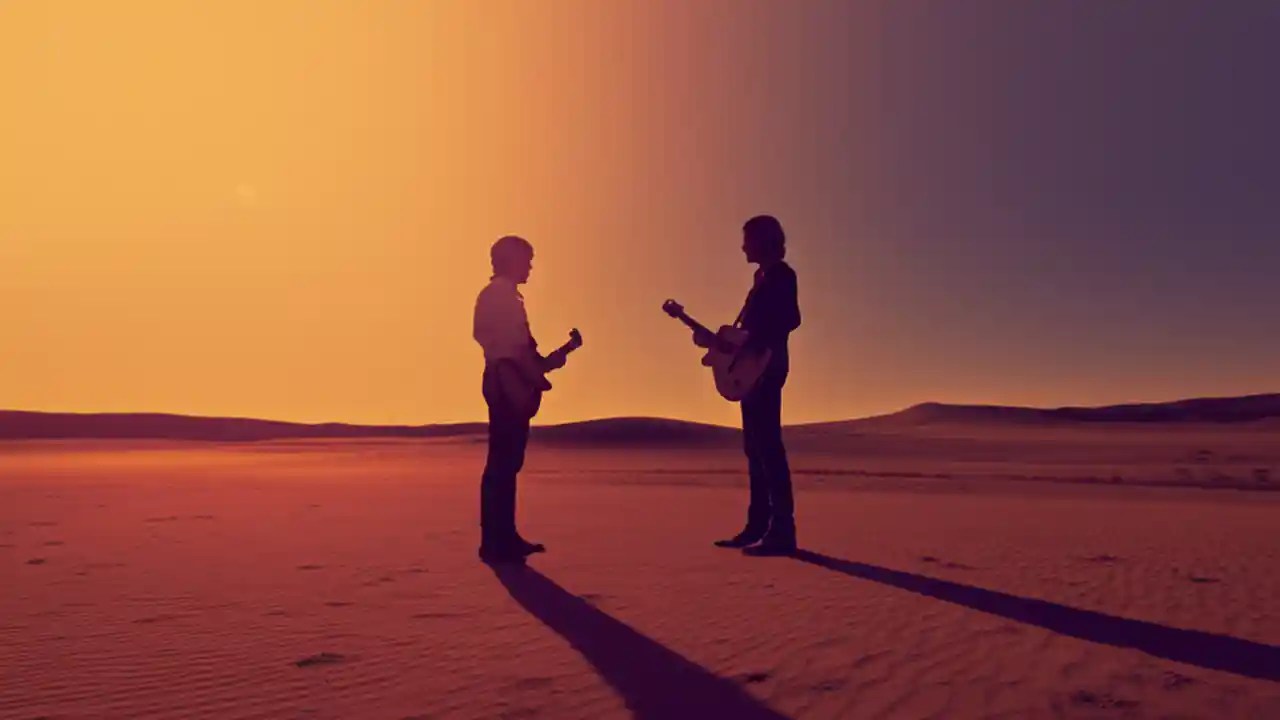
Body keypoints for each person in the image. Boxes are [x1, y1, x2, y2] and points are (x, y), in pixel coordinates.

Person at [697, 215, 801, 556]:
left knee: (768, 447)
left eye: (747, 239)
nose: (743, 247)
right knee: (755, 449)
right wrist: (717, 342)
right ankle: (758, 526)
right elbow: (747, 334)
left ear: (762, 240)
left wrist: (752, 342)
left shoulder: (781, 275)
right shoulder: (761, 279)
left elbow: (789, 319)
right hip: (752, 371)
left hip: (766, 369)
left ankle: (782, 530)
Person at [473, 235, 570, 564]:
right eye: (526, 259)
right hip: (506, 382)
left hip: (508, 380)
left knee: (507, 463)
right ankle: (496, 541)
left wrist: (541, 363)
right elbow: (504, 343)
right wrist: (530, 368)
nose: (530, 266)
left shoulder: (506, 296)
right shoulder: (499, 295)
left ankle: (503, 536)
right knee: (503, 462)